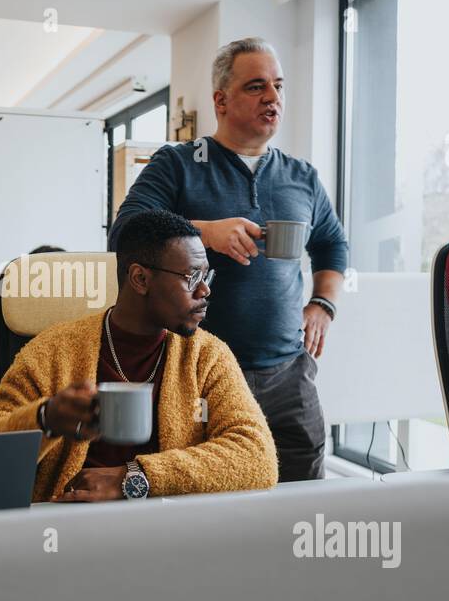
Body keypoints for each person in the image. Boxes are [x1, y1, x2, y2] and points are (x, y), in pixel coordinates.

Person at [109, 37, 348, 482]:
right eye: (256, 86)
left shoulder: (302, 176)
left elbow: (333, 245)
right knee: (204, 502)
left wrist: (324, 305)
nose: (273, 98)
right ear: (221, 100)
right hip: (197, 373)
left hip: (288, 375)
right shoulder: (178, 164)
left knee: (302, 504)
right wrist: (204, 232)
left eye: (278, 86)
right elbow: (125, 233)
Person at [0, 210, 278, 501]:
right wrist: (45, 418)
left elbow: (257, 456)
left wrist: (133, 478)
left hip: (169, 530)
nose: (205, 291)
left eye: (205, 277)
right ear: (140, 279)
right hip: (66, 528)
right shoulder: (52, 351)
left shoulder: (207, 357)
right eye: (191, 277)